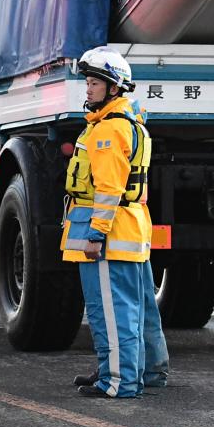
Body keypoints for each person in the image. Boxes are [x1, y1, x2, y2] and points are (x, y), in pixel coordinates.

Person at [61, 47, 167, 399]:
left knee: (112, 311)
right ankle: (143, 372)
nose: (88, 89)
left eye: (94, 83)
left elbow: (108, 189)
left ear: (114, 88)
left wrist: (95, 234)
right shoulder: (130, 123)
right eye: (88, 82)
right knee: (138, 310)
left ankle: (118, 381)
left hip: (109, 235)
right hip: (130, 228)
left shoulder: (108, 131)